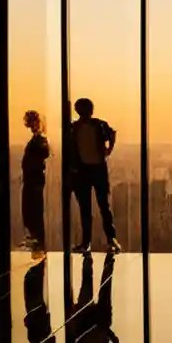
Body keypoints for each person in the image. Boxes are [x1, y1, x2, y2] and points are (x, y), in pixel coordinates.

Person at [69, 98, 121, 254]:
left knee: (100, 207)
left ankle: (103, 241)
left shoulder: (92, 126)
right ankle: (94, 242)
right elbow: (112, 135)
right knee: (95, 207)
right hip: (87, 170)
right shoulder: (83, 127)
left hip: (92, 170)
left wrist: (109, 149)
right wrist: (108, 150)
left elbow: (112, 134)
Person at [69, 251, 122, 343]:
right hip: (85, 319)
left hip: (99, 319)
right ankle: (88, 257)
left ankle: (109, 258)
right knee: (88, 284)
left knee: (104, 286)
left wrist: (106, 330)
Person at [21, 110, 51, 250]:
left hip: (34, 177)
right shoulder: (37, 138)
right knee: (30, 207)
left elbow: (44, 153)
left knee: (33, 207)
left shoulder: (40, 139)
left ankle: (37, 238)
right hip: (32, 177)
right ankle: (35, 237)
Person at [23, 259, 56, 343]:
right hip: (36, 316)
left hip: (38, 316)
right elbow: (37, 336)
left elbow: (50, 339)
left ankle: (40, 263)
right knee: (32, 284)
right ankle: (41, 262)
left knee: (33, 285)